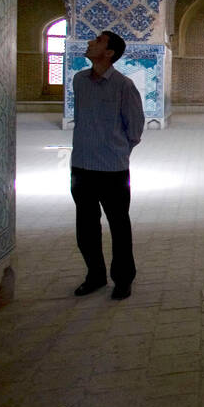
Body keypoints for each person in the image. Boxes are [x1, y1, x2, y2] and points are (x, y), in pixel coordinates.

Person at [70, 29, 144, 300]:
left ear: (109, 53)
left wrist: (116, 151)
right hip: (81, 167)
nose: (91, 43)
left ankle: (123, 279)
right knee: (86, 227)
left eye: (98, 41)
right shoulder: (79, 81)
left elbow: (135, 129)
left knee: (118, 225)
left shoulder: (123, 86)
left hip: (112, 170)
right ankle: (95, 275)